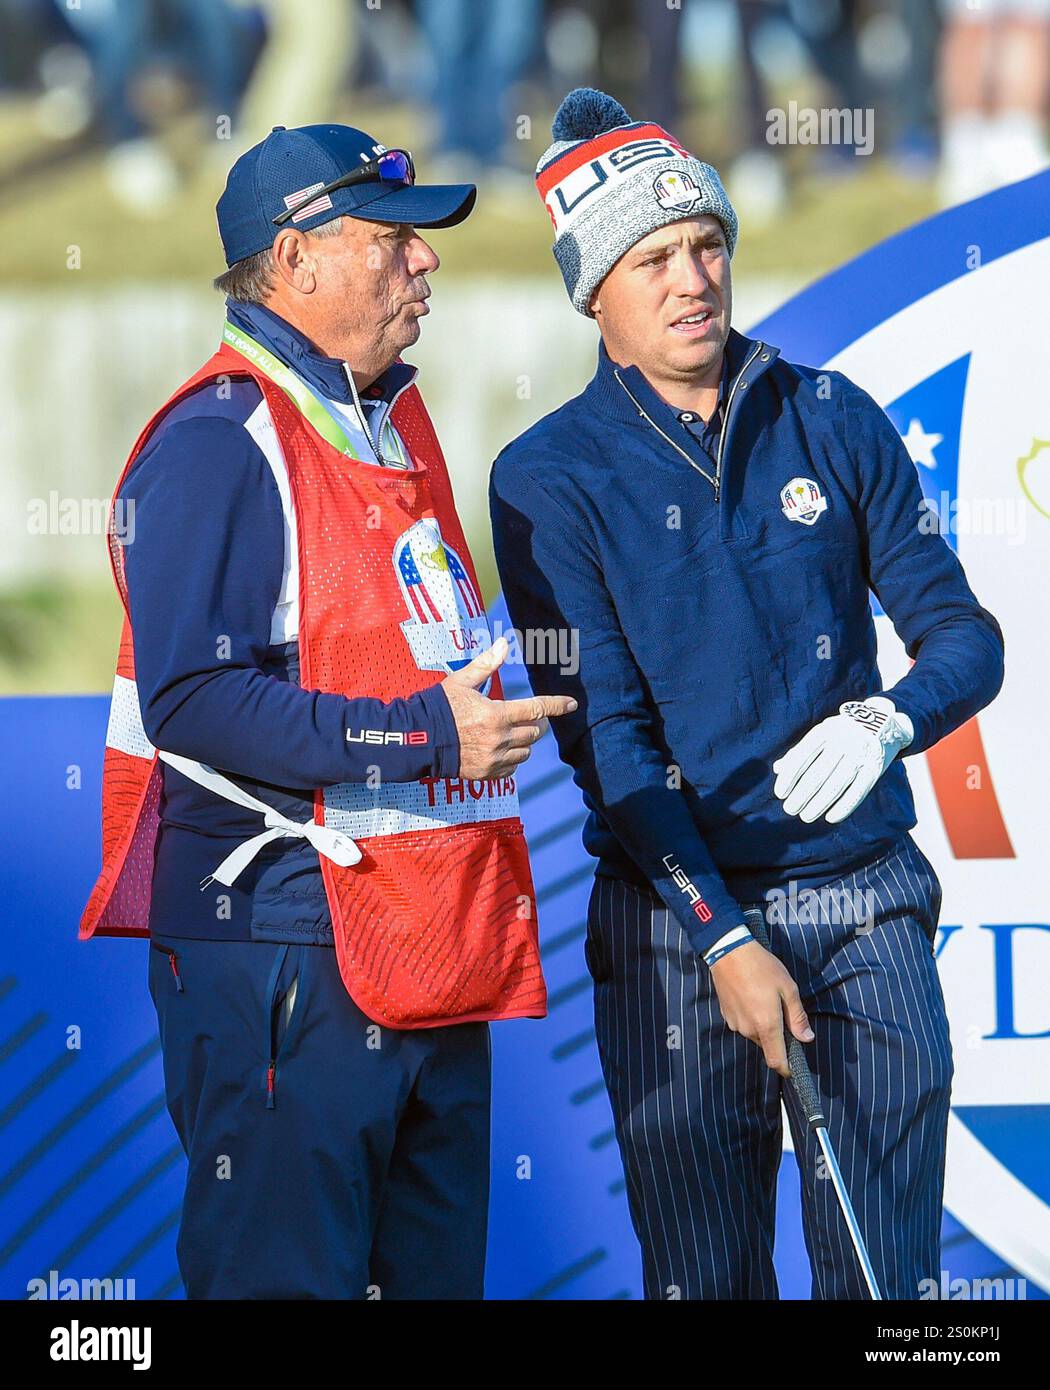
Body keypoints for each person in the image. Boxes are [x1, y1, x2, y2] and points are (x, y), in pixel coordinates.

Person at [489, 88, 1005, 1300]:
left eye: (708, 244)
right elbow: (605, 743)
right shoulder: (544, 477)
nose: (693, 278)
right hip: (672, 919)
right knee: (706, 1282)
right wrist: (721, 931)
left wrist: (894, 719)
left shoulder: (829, 415)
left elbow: (965, 640)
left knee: (888, 1287)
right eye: (654, 257)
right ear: (594, 292)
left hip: (861, 895)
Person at [80, 122, 575, 1299]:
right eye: (393, 240)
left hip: (418, 941)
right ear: (295, 260)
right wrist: (423, 735)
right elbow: (192, 698)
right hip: (284, 946)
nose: (426, 264)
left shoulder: (388, 420)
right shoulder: (216, 440)